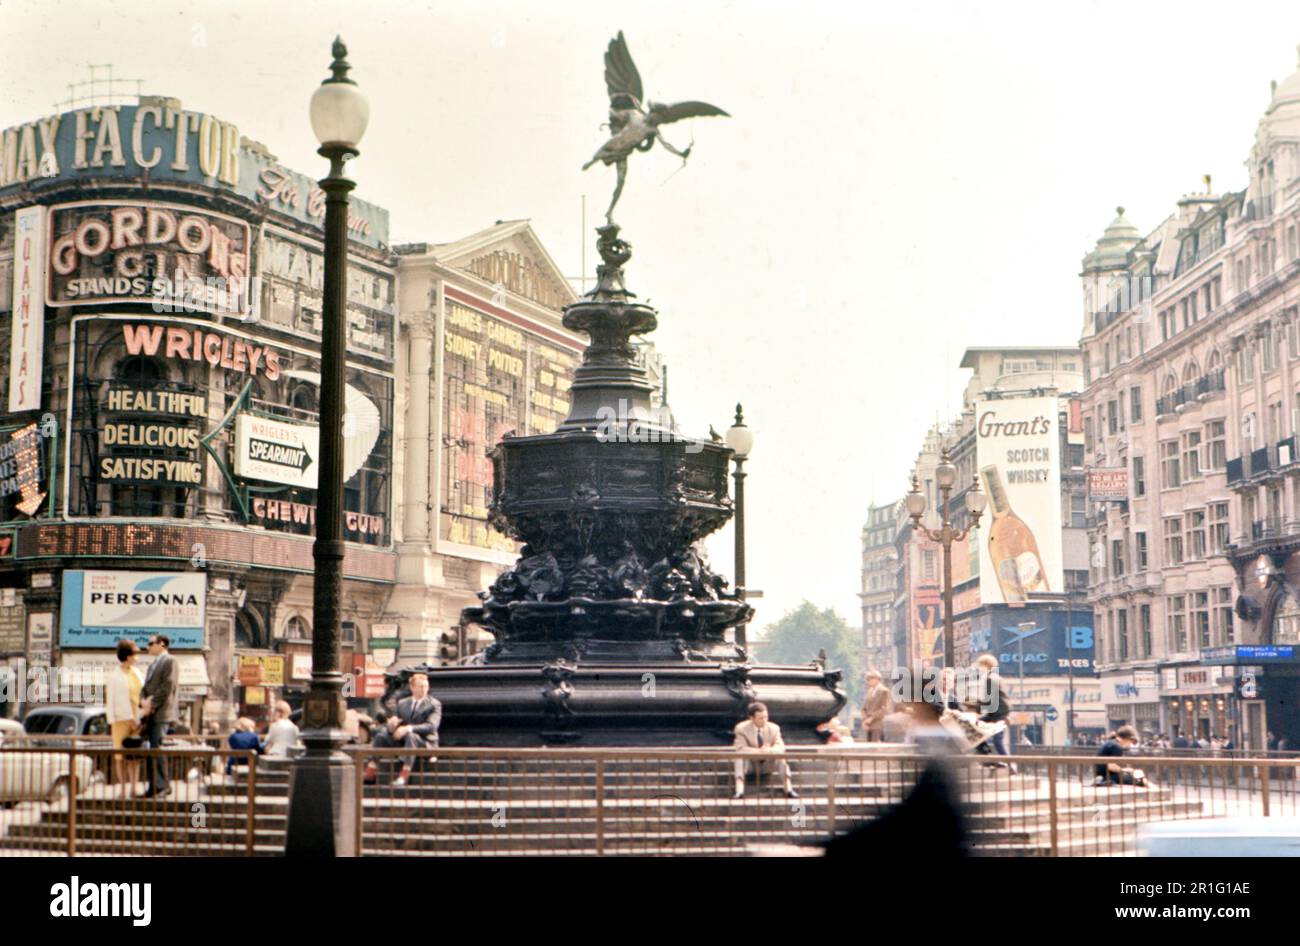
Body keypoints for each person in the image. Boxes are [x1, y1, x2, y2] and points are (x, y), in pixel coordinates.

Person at [366, 672, 441, 786]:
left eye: (426, 686)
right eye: (421, 686)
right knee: (381, 735)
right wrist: (392, 726)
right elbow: (396, 723)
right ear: (412, 688)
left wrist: (408, 728)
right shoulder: (402, 703)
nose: (424, 689)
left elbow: (431, 726)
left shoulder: (434, 704)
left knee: (411, 736)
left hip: (425, 742)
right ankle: (370, 772)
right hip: (403, 742)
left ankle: (404, 776)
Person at [138, 634, 178, 798]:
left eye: (151, 643)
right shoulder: (152, 665)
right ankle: (153, 785)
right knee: (150, 749)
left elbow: (168, 685)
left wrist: (151, 703)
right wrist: (142, 701)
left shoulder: (170, 661)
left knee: (157, 747)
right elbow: (145, 686)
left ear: (162, 644)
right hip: (150, 713)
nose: (148, 647)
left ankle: (163, 786)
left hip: (162, 713)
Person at [732, 702, 797, 799]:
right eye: (761, 718)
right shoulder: (741, 728)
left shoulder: (774, 728)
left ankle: (789, 789)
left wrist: (768, 750)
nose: (765, 720)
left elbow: (780, 747)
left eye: (766, 717)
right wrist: (759, 751)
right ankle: (739, 791)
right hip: (750, 764)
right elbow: (740, 748)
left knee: (781, 758)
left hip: (768, 763)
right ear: (751, 718)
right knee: (739, 759)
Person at [105, 638, 144, 796]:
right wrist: (127, 717)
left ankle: (134, 786)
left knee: (135, 755)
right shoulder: (114, 676)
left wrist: (139, 717)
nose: (137, 658)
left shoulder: (137, 673)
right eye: (135, 655)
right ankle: (122, 787)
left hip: (137, 718)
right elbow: (114, 700)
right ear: (128, 656)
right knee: (120, 755)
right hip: (121, 719)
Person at [974, 653, 1014, 772]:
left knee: (996, 740)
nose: (979, 668)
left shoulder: (990, 679)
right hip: (997, 713)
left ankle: (1009, 766)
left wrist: (976, 709)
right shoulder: (994, 678)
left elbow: (987, 699)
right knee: (975, 731)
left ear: (987, 665)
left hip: (999, 714)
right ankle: (991, 759)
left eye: (980, 665)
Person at [861, 670, 891, 742]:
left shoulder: (884, 691)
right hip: (868, 725)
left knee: (876, 746)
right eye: (867, 679)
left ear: (877, 679)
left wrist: (871, 718)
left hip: (878, 724)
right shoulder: (869, 691)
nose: (868, 681)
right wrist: (864, 720)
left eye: (869, 679)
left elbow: (884, 708)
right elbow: (864, 708)